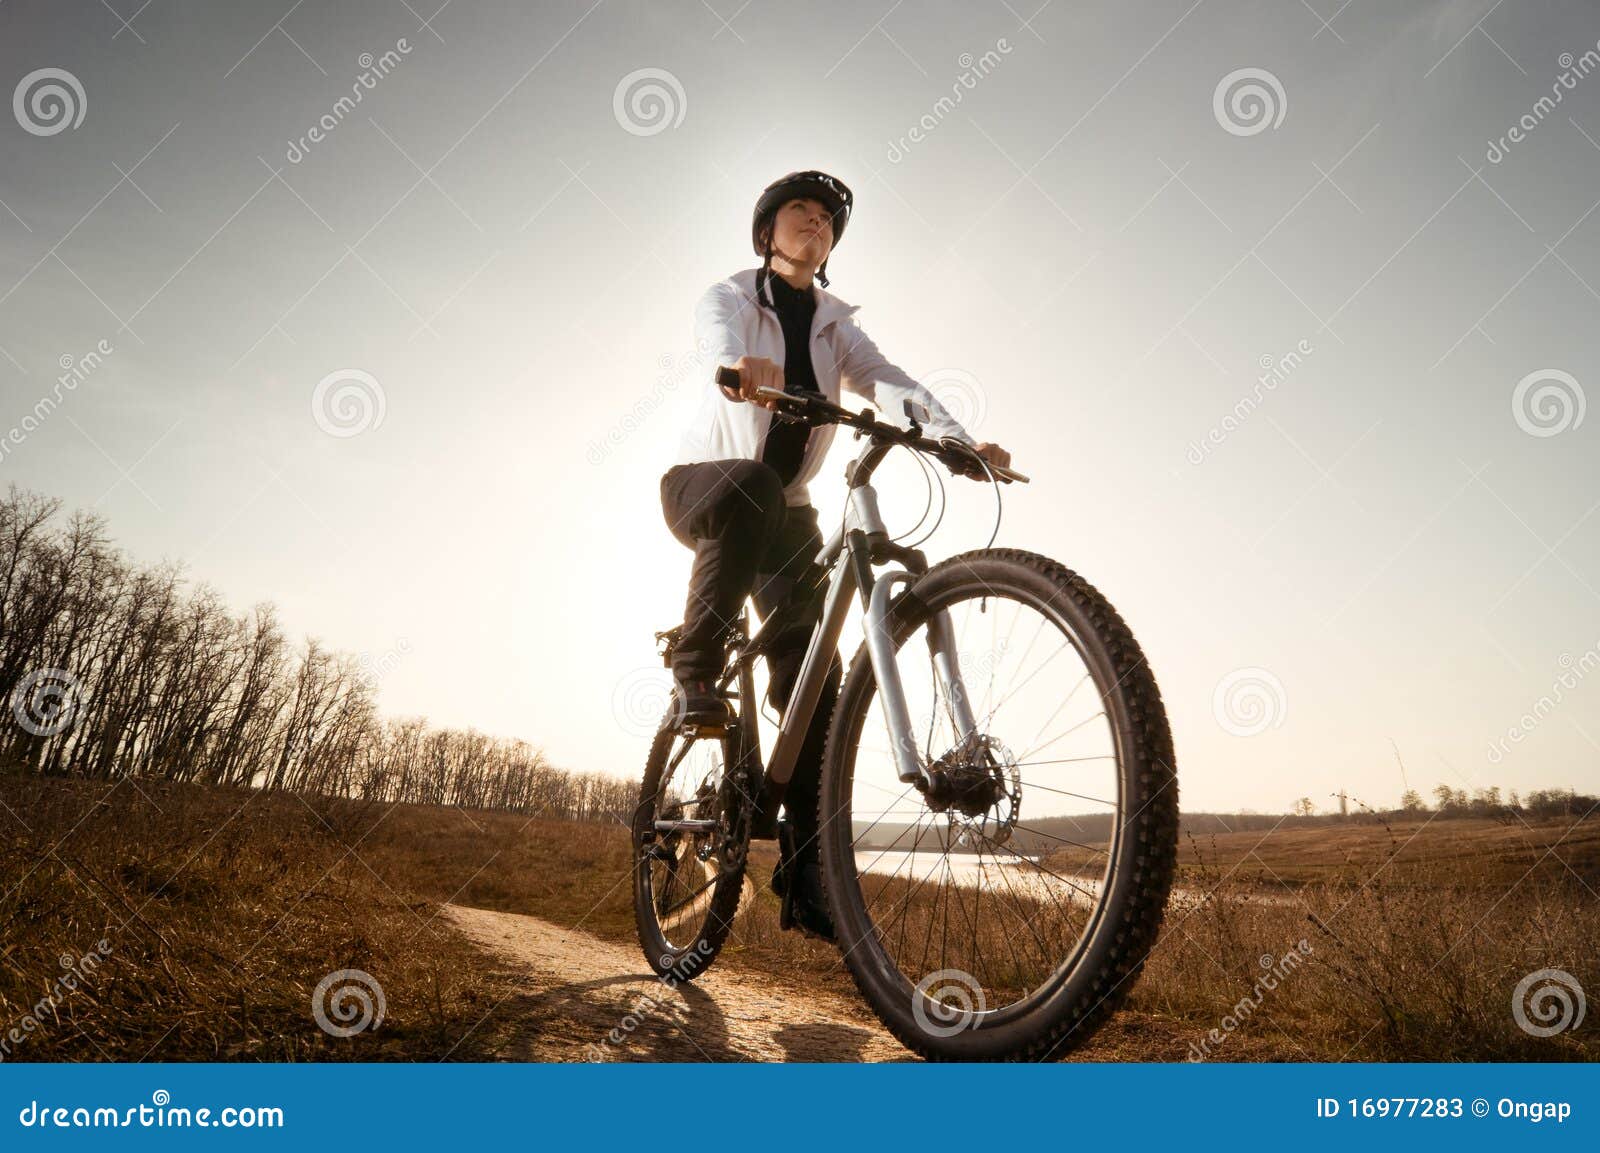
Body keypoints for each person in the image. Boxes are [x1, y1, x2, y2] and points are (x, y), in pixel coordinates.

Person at [658, 170, 1011, 940]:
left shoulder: (835, 325)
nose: (814, 224)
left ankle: (805, 866)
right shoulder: (729, 295)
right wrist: (736, 370)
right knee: (752, 480)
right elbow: (716, 339)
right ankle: (695, 670)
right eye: (799, 212)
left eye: (826, 218)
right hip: (705, 488)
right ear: (767, 232)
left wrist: (954, 439)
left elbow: (893, 383)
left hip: (784, 517)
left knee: (813, 680)